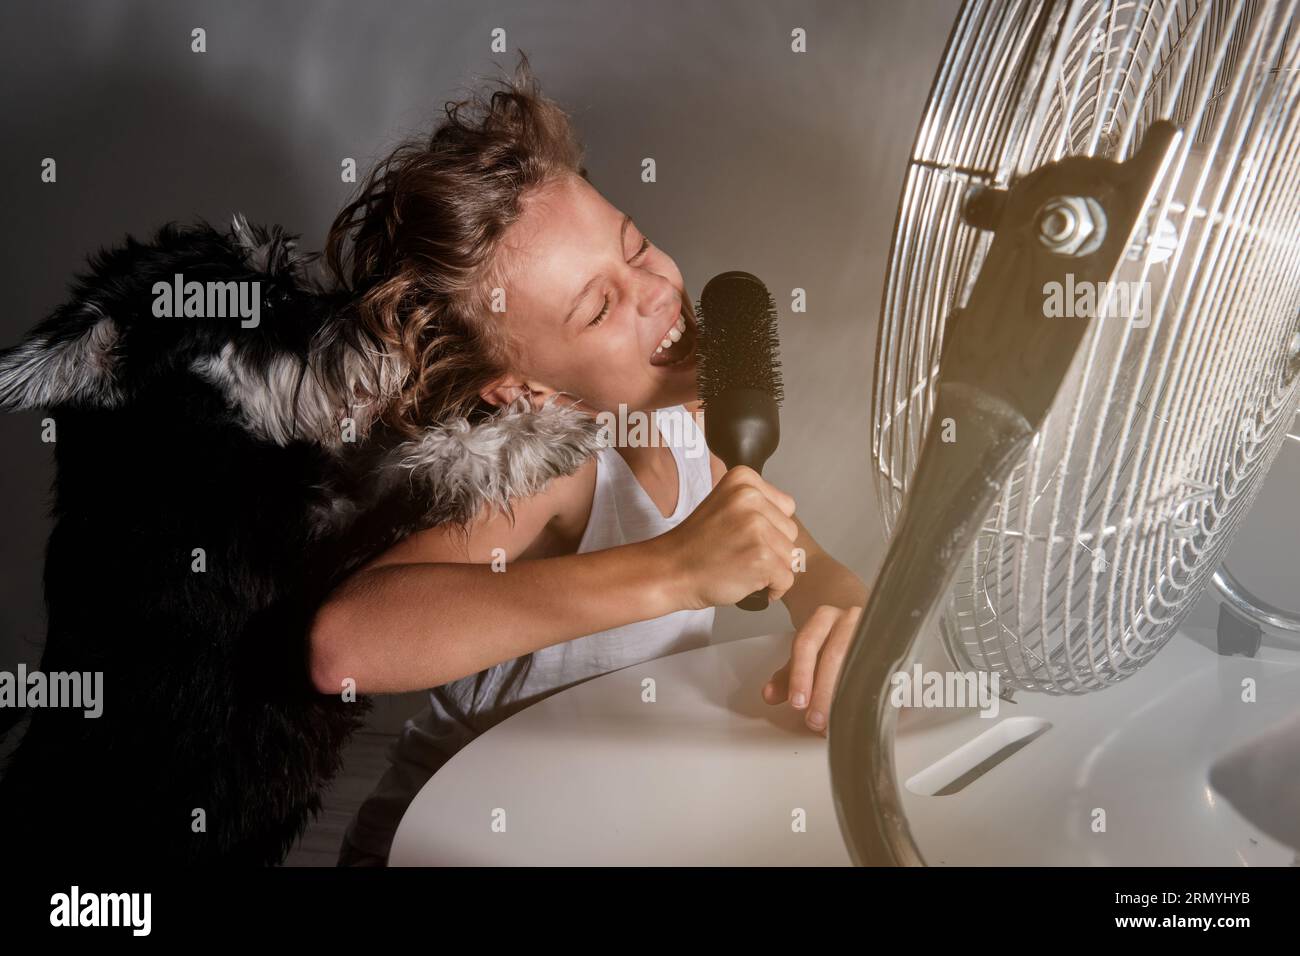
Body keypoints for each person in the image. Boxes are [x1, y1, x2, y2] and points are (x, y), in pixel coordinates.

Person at [313, 53, 869, 865]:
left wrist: (840, 604)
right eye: (599, 305)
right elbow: (344, 648)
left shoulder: (689, 420)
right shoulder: (556, 474)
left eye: (635, 245)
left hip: (606, 819)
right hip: (457, 839)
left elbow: (788, 550)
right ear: (529, 391)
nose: (655, 289)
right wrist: (674, 568)